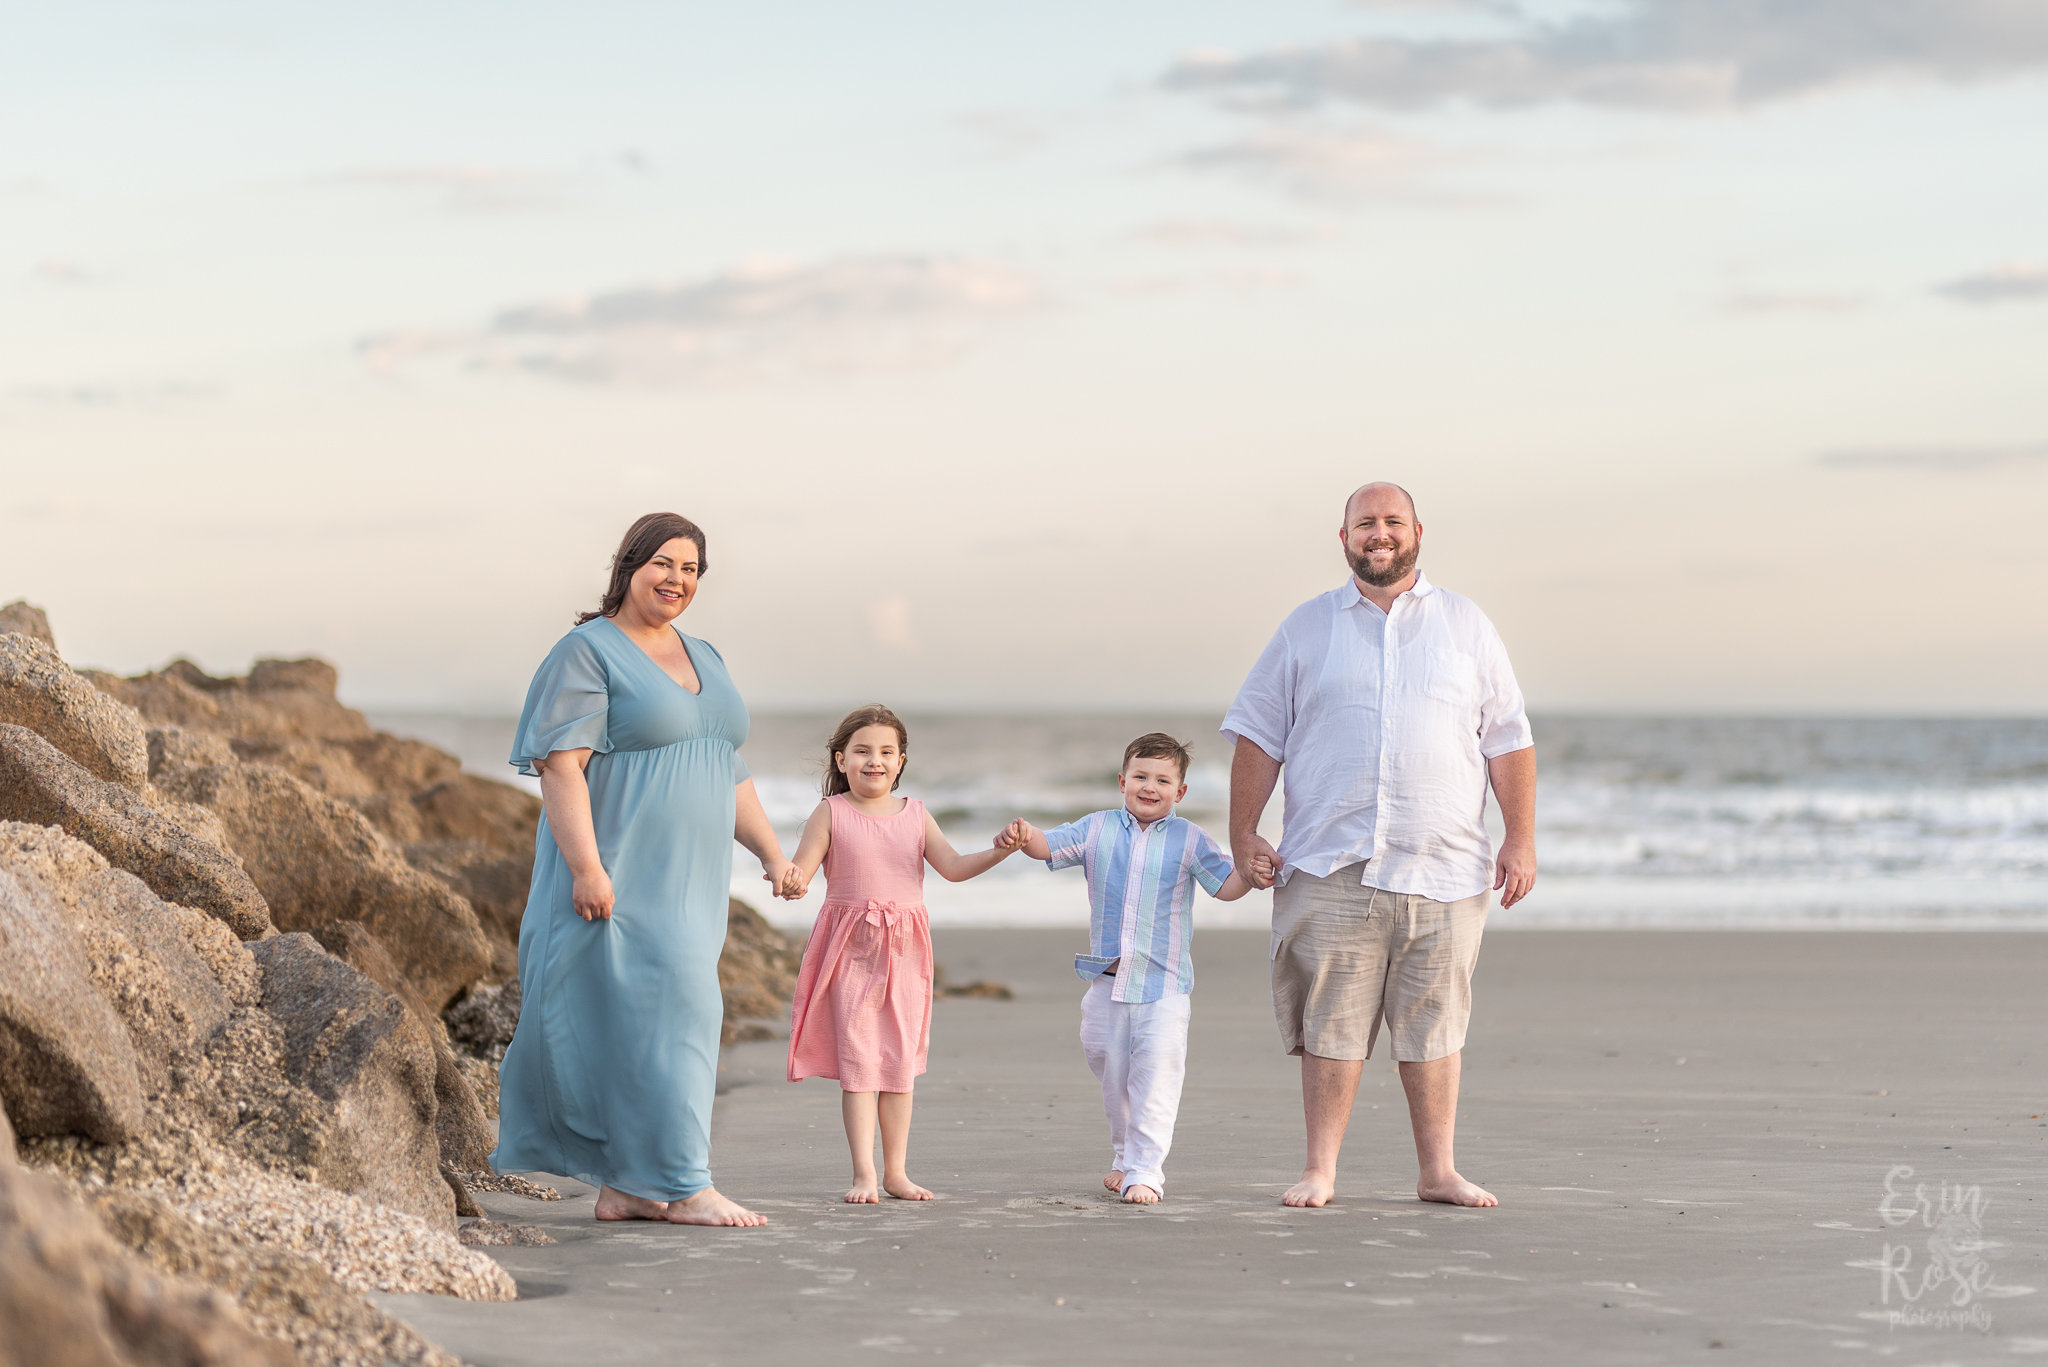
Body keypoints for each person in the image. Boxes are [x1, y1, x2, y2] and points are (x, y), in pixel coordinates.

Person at [1224, 482, 1537, 1210]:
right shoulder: (1306, 627)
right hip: (1330, 861)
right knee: (1330, 1022)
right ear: (1344, 538)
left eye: (1392, 521)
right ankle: (1320, 1169)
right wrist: (1243, 832)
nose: (1379, 533)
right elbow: (1257, 733)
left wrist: (1518, 837)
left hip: (1446, 864)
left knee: (1435, 1024)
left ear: (1418, 531)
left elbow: (1508, 739)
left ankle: (1438, 1171)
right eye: (1365, 523)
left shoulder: (1466, 623)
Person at [493, 512, 793, 1228]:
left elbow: (726, 763)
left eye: (691, 569)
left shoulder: (705, 655)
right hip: (621, 875)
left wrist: (772, 852)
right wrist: (587, 869)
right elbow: (561, 767)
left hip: (692, 883)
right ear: (628, 566)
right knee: (671, 1016)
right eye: (663, 563)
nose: (676, 580)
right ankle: (686, 1184)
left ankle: (628, 1185)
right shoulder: (586, 651)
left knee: (653, 1023)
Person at [1003, 734, 1260, 1205]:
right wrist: (1024, 836)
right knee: (1108, 1068)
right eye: (1140, 776)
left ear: (1179, 792)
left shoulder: (1189, 840)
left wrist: (1250, 871)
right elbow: (1048, 846)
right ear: (1122, 782)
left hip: (1163, 988)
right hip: (1106, 982)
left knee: (1155, 1078)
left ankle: (1147, 1171)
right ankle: (1124, 1157)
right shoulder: (1097, 828)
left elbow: (1225, 886)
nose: (1150, 786)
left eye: (1163, 780)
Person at [780, 705, 1019, 1203]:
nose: (875, 761)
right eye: (863, 751)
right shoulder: (832, 811)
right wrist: (791, 880)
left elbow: (952, 866)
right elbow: (802, 868)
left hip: (906, 950)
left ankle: (896, 1172)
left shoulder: (915, 813)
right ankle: (864, 1174)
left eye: (886, 752)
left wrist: (1000, 851)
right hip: (850, 947)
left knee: (899, 1060)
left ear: (901, 761)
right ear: (841, 759)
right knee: (860, 1061)